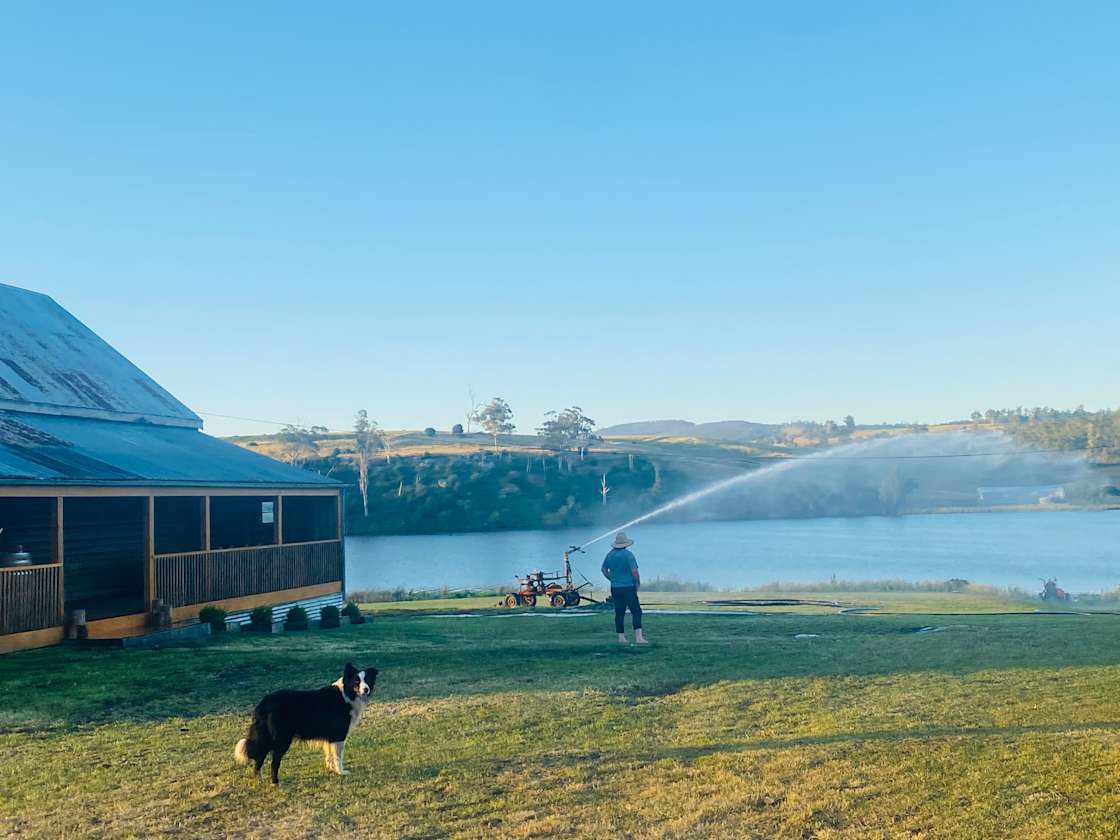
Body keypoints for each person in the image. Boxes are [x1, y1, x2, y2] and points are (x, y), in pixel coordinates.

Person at [601, 531, 646, 645]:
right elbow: (634, 572)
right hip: (628, 587)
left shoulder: (610, 555)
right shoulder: (628, 555)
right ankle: (639, 638)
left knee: (619, 612)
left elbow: (604, 570)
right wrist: (638, 582)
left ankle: (621, 637)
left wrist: (612, 579)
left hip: (615, 588)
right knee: (636, 611)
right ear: (625, 544)